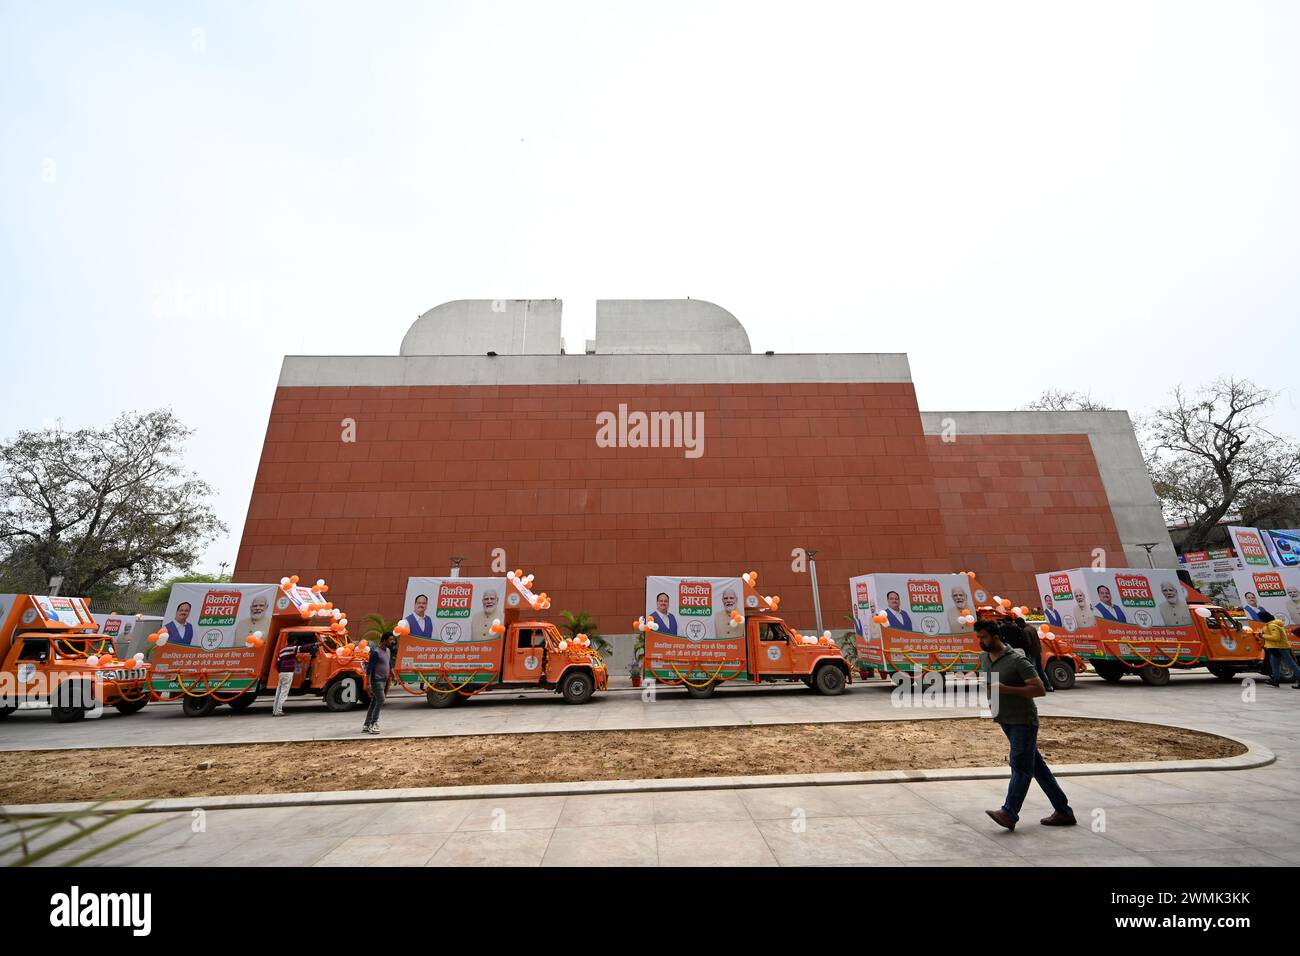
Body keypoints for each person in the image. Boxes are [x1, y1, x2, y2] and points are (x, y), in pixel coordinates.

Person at [974, 618, 1075, 831]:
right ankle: (1063, 811)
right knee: (1037, 767)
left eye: (983, 637)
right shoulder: (984, 657)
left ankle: (1009, 813)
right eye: (978, 637)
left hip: (1023, 720)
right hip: (1005, 719)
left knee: (1020, 766)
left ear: (996, 636)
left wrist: (1006, 689)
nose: (980, 641)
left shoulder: (1017, 660)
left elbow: (1039, 689)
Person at [362, 632, 396, 734]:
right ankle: (374, 723)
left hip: (384, 680)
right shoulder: (376, 652)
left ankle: (366, 725)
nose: (392, 641)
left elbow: (388, 663)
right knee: (381, 699)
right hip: (376, 680)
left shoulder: (388, 651)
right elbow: (369, 668)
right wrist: (368, 684)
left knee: (374, 702)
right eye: (390, 639)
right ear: (384, 640)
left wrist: (392, 673)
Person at [1257, 611, 1300, 689]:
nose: (1260, 619)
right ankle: (1275, 680)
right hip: (1274, 648)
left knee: (1291, 664)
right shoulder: (1271, 624)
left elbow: (1276, 637)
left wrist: (1263, 635)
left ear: (1264, 617)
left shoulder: (1272, 625)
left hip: (1280, 648)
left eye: (1260, 618)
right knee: (1274, 664)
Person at [272, 634, 309, 716]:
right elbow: (303, 648)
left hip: (281, 673)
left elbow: (278, 663)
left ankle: (275, 710)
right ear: (294, 641)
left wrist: (280, 671)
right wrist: (314, 644)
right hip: (288, 673)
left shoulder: (282, 651)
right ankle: (278, 711)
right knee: (284, 693)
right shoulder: (292, 648)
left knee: (278, 692)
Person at [1017, 617, 1053, 692]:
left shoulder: (1025, 631)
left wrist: (1024, 647)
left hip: (1031, 652)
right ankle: (1048, 686)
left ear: (1020, 623)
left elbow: (1028, 643)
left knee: (1033, 670)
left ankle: (1038, 687)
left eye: (1018, 624)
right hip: (1037, 651)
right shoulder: (1032, 628)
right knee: (1040, 670)